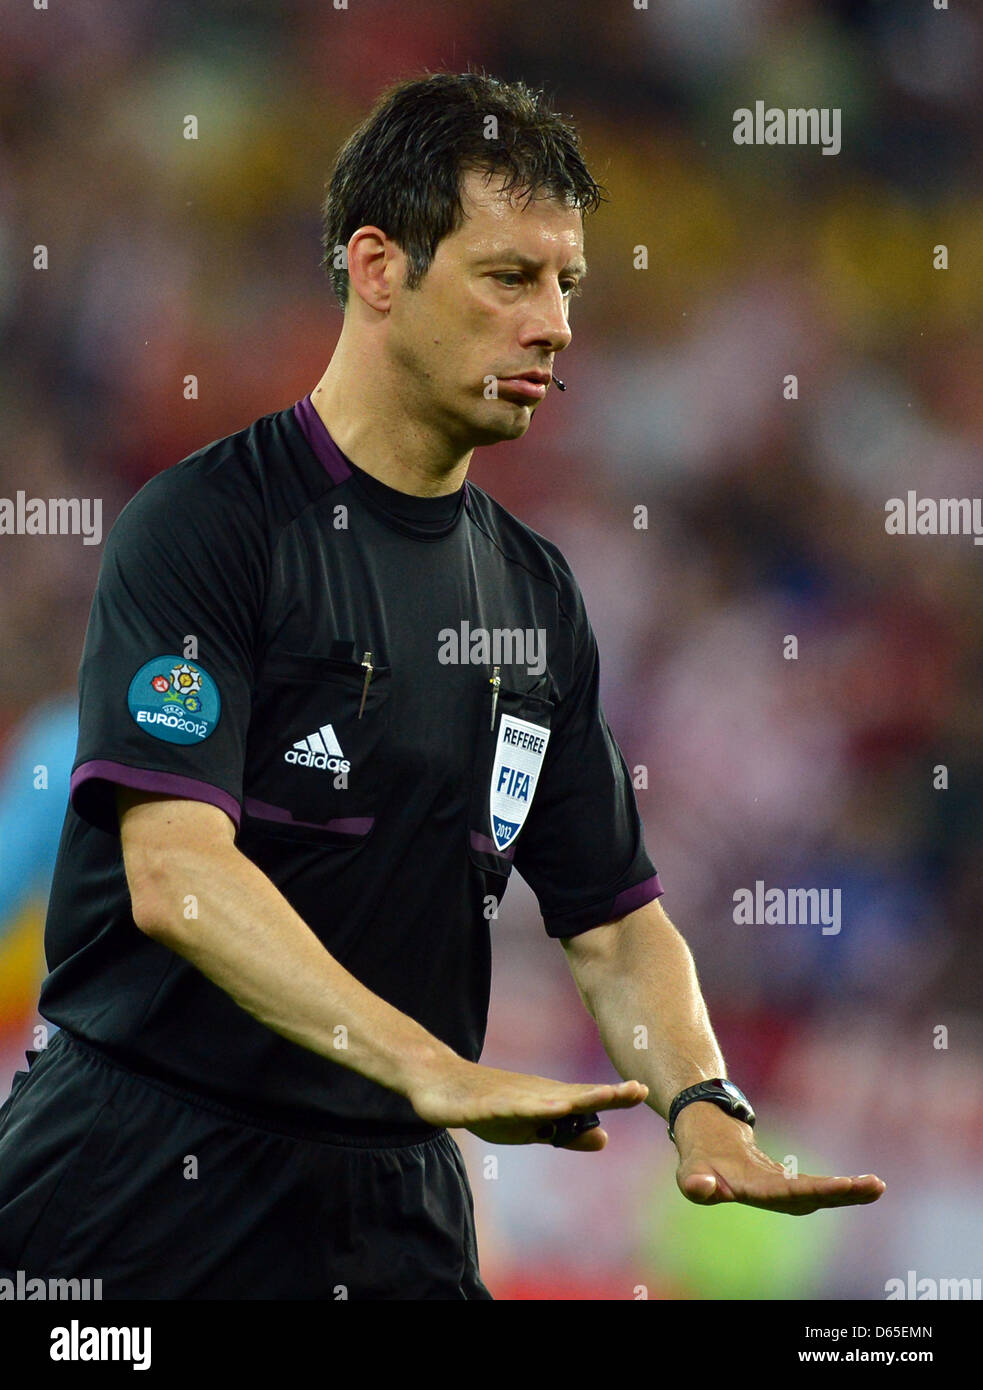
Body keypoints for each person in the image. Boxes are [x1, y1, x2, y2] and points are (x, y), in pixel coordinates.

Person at [0, 69, 884, 1301]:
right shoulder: (206, 526)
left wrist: (703, 1106)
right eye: (509, 277)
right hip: (136, 1182)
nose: (556, 324)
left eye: (566, 285)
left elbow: (615, 923)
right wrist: (429, 1063)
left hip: (391, 1201)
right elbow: (176, 875)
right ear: (377, 268)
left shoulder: (534, 602)